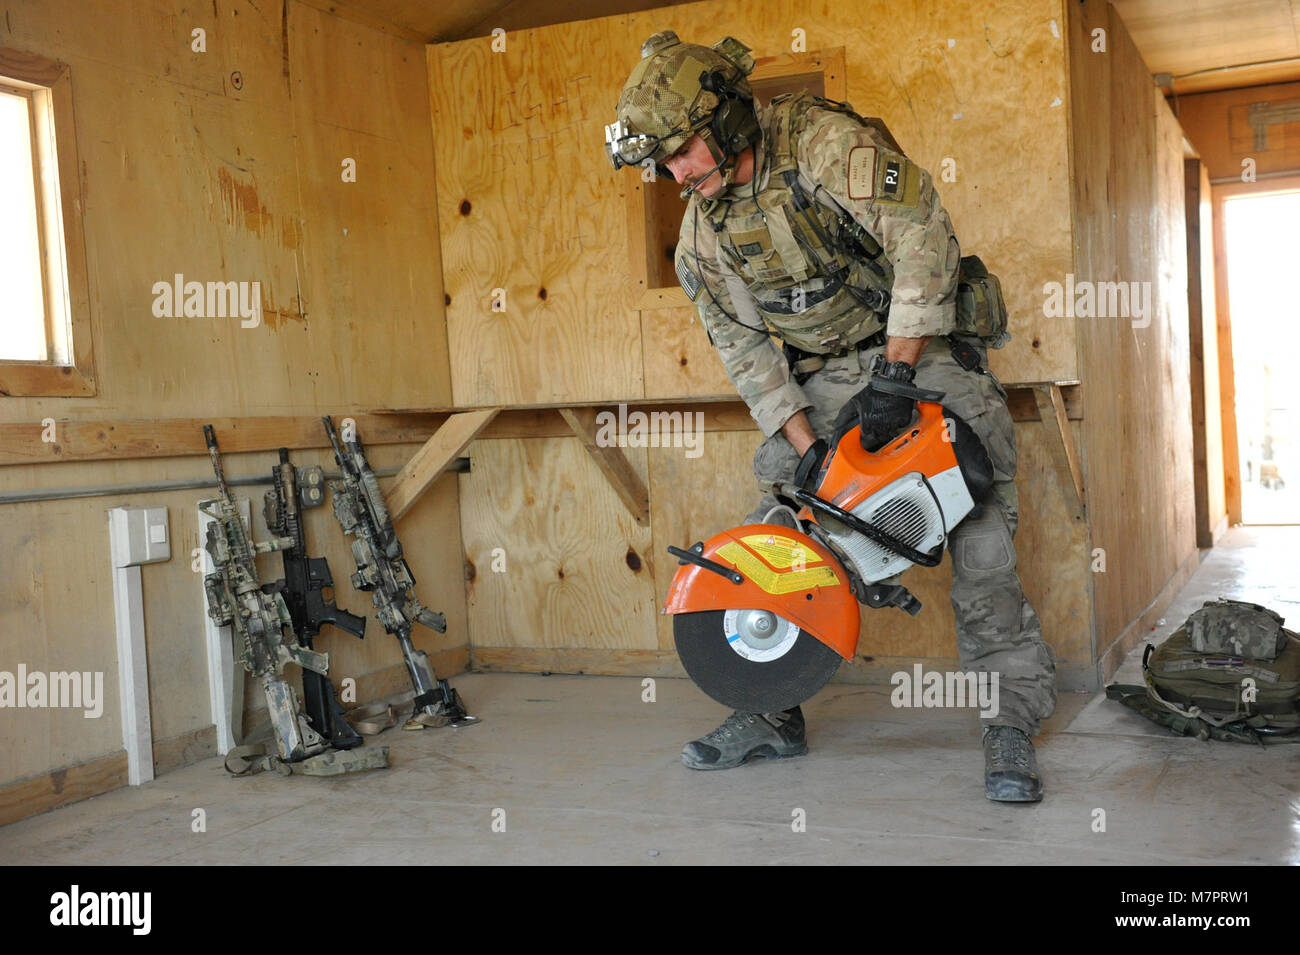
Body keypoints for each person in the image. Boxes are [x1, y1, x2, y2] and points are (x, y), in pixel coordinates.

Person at [606, 31, 1057, 802]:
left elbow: (922, 236)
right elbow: (747, 354)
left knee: (977, 532)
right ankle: (772, 711)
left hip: (917, 348)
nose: (675, 174)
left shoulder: (819, 143)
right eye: (663, 163)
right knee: (770, 540)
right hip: (819, 384)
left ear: (725, 122)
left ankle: (1008, 718)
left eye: (681, 151)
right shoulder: (699, 243)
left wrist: (895, 374)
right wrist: (808, 446)